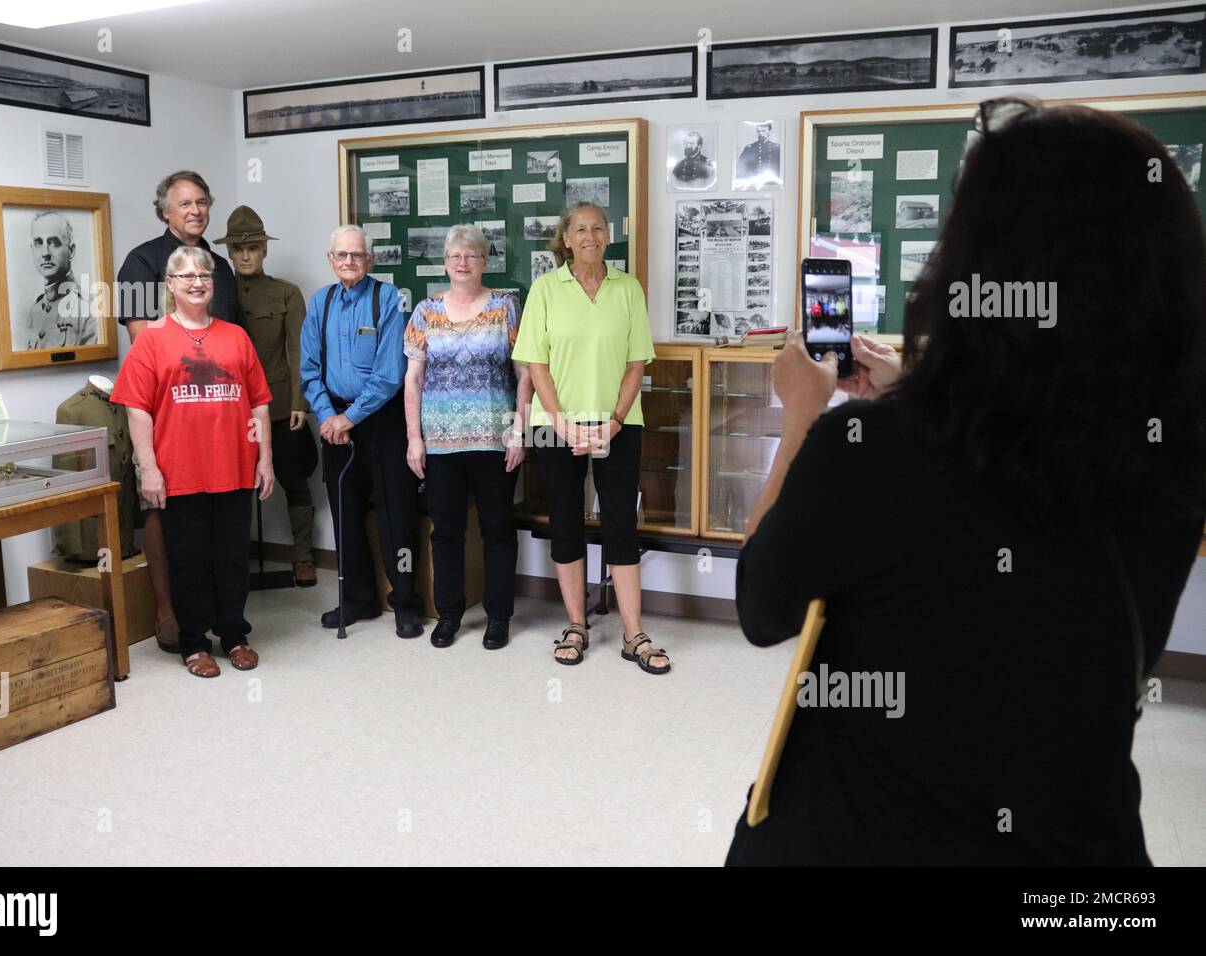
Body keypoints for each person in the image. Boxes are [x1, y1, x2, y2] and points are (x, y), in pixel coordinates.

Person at [727, 98, 1206, 865]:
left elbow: (759, 605)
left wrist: (803, 418)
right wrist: (918, 392)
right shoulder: (1171, 457)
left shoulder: (869, 450)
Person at [512, 201, 669, 674]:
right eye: (579, 229)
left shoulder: (627, 288)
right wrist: (559, 421)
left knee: (621, 522)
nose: (588, 236)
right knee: (566, 521)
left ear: (608, 235)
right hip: (556, 425)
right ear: (564, 237)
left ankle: (633, 633)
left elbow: (636, 361)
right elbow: (535, 362)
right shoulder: (545, 289)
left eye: (597, 227)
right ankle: (576, 625)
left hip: (618, 424)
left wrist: (614, 422)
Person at [111, 246, 275, 678]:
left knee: (231, 558)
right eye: (186, 276)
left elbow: (258, 403)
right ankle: (194, 642)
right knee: (188, 559)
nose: (197, 282)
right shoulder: (152, 339)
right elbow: (137, 409)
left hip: (235, 469)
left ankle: (235, 635)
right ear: (170, 285)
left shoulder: (235, 336)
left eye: (203, 274)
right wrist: (149, 467)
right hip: (179, 473)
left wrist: (265, 459)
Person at [115, 170, 244, 654]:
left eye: (202, 202)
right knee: (163, 508)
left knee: (219, 518)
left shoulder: (221, 267)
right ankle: (168, 612)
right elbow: (141, 341)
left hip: (219, 414)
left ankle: (220, 616)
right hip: (164, 413)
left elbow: (233, 336)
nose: (195, 211)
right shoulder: (138, 262)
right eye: (184, 203)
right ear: (164, 211)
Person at [404, 224, 532, 649]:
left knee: (497, 529)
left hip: (495, 441)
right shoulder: (425, 311)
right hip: (440, 444)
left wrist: (520, 429)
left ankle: (498, 615)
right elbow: (414, 379)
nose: (462, 262)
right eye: (455, 256)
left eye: (471, 255)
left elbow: (524, 372)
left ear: (485, 262)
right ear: (445, 262)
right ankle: (450, 613)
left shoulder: (506, 307)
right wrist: (414, 438)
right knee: (446, 532)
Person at [300, 225, 424, 638]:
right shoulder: (321, 303)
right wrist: (326, 417)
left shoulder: (388, 299)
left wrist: (348, 418)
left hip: (382, 420)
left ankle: (406, 602)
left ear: (370, 260)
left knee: (397, 514)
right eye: (341, 255)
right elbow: (309, 371)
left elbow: (391, 374)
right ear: (330, 260)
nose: (349, 261)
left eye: (357, 255)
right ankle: (357, 599)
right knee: (344, 513)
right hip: (335, 423)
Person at [214, 206, 318, 588]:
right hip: (227, 407)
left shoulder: (286, 293)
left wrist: (298, 403)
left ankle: (303, 557)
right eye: (238, 249)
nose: (245, 255)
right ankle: (232, 563)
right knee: (231, 486)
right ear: (228, 252)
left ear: (264, 250)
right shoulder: (212, 292)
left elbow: (299, 352)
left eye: (253, 248)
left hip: (276, 406)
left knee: (294, 478)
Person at [22, 211, 95, 350]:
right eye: (38, 243)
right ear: (32, 250)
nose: (45, 253)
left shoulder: (89, 309)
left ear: (71, 251)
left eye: (54, 243)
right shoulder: (34, 312)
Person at [735, 121, 781, 187]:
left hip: (772, 184)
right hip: (752, 185)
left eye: (763, 131)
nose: (760, 133)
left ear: (769, 131)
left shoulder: (777, 148)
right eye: (758, 131)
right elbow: (740, 170)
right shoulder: (750, 148)